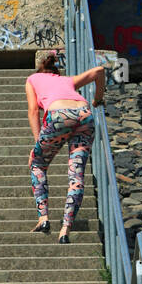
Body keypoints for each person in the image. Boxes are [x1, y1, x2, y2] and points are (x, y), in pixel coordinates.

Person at [26, 48, 105, 245]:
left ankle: (43, 218)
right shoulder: (66, 80)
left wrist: (38, 142)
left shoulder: (32, 79)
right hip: (84, 116)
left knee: (37, 164)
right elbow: (99, 71)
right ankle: (65, 229)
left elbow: (33, 110)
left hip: (59, 116)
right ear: (56, 73)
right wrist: (97, 99)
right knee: (76, 175)